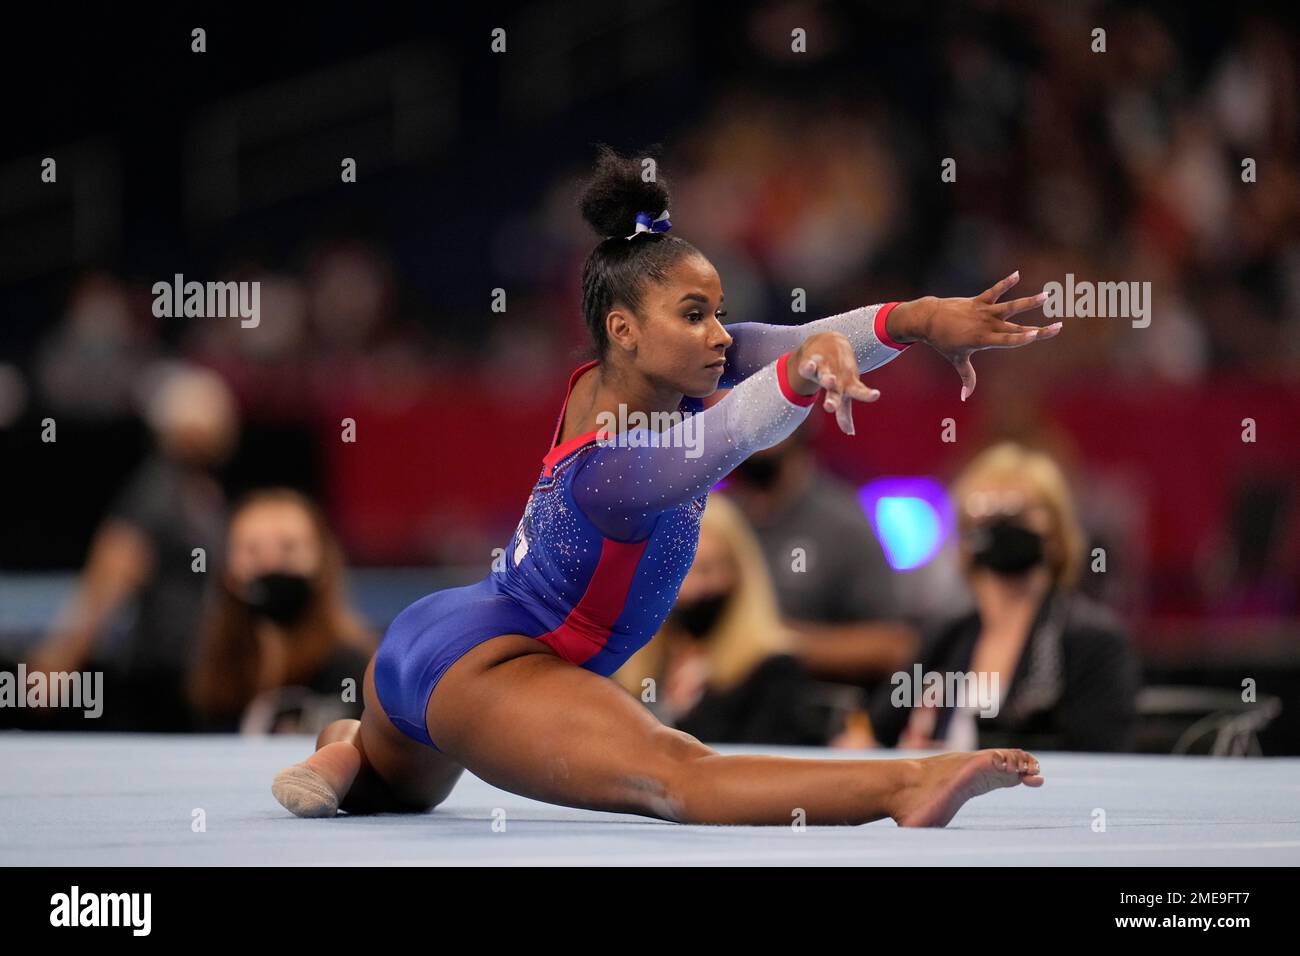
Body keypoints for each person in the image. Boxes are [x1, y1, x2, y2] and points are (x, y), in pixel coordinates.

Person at [271, 145, 1059, 826]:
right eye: (694, 314)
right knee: (677, 777)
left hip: (431, 641)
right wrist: (803, 372)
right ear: (624, 328)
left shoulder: (650, 373)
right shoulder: (613, 467)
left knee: (392, 796)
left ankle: (347, 747)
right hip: (485, 662)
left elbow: (792, 344)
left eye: (718, 312)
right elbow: (734, 432)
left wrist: (919, 318)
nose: (719, 333)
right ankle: (906, 784)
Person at [868, 443, 1142, 752]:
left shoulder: (1092, 640)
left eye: (1018, 514)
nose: (1001, 527)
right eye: (987, 513)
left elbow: (1102, 763)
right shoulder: (949, 633)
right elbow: (873, 733)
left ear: (1055, 533)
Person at [29, 363, 237, 732]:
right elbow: (112, 572)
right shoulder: (154, 493)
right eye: (198, 419)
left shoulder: (204, 494)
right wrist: (62, 658)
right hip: (158, 679)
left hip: (200, 673)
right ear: (170, 428)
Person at [613, 494, 852, 746]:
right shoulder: (632, 664)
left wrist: (694, 707)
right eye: (679, 570)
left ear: (737, 572)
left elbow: (759, 768)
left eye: (705, 569)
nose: (690, 587)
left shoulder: (773, 670)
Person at [723, 417, 919, 684]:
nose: (757, 423)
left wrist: (777, 644)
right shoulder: (714, 519)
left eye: (769, 415)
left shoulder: (844, 525)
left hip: (808, 710)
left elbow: (895, 645)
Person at [189, 488, 374, 735]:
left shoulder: (355, 670)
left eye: (288, 548)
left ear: (322, 561)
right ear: (228, 570)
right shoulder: (211, 670)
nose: (270, 564)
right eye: (252, 550)